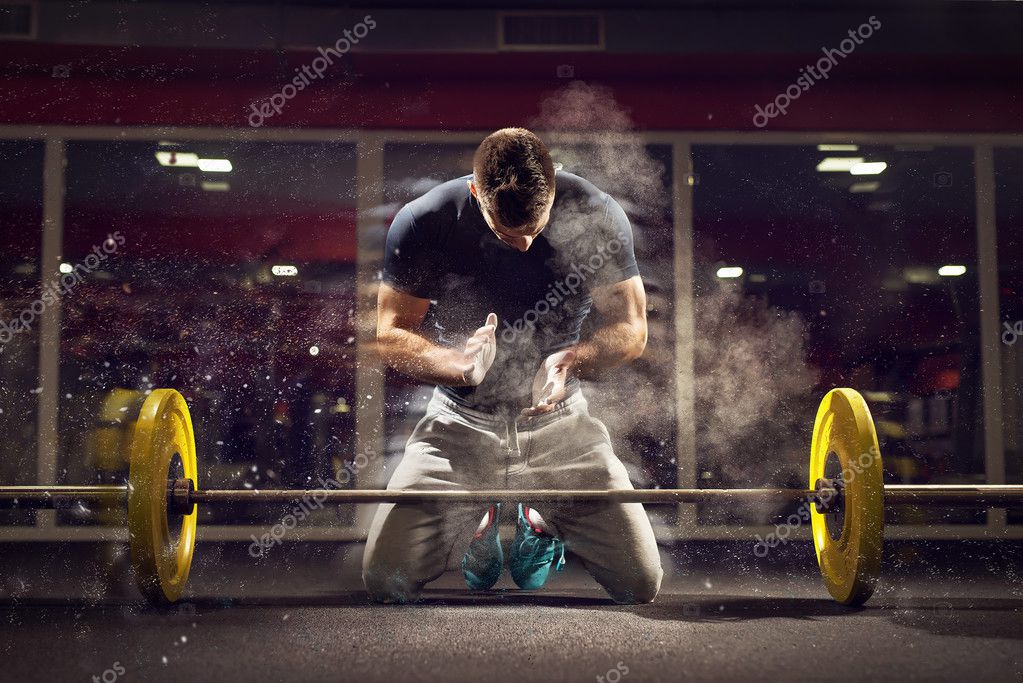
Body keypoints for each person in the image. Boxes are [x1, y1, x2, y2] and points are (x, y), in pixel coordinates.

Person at [363, 127, 662, 604]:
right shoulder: (425, 221)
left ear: (553, 185)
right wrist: (458, 364)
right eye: (506, 231)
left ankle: (536, 521)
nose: (523, 244)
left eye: (536, 227)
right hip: (458, 425)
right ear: (475, 191)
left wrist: (571, 361)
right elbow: (391, 335)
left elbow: (631, 329)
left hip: (560, 428)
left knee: (641, 583)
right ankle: (477, 523)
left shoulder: (596, 215)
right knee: (385, 581)